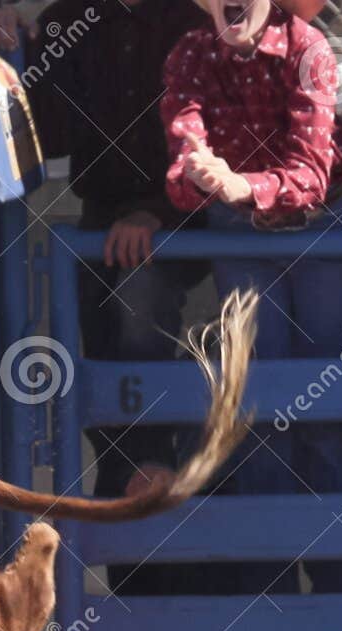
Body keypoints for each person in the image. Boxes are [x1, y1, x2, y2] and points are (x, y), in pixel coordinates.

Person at [162, 0, 342, 592]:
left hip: (324, 225)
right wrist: (198, 175)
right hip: (239, 230)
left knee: (328, 409)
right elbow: (183, 175)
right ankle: (267, 599)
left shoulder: (309, 48)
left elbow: (311, 174)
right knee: (254, 407)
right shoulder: (188, 56)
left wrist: (232, 182)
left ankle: (337, 594)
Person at [23, 0, 207, 593]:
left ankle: (151, 475)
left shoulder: (192, 21)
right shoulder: (64, 20)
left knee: (137, 334)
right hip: (100, 226)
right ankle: (135, 610)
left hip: (182, 218)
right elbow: (45, 139)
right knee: (105, 379)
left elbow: (207, 136)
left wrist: (154, 212)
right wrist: (19, 55)